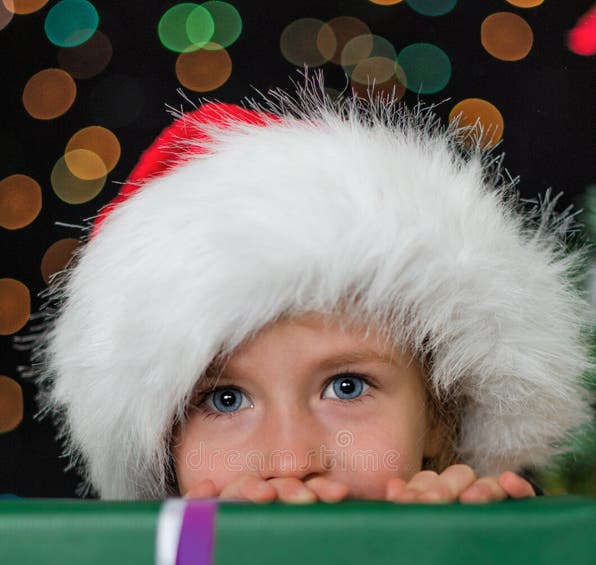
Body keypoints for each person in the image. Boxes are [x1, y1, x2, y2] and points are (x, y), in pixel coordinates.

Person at [33, 78, 593, 504]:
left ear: (442, 425)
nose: (290, 459)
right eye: (224, 399)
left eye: (347, 387)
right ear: (162, 453)